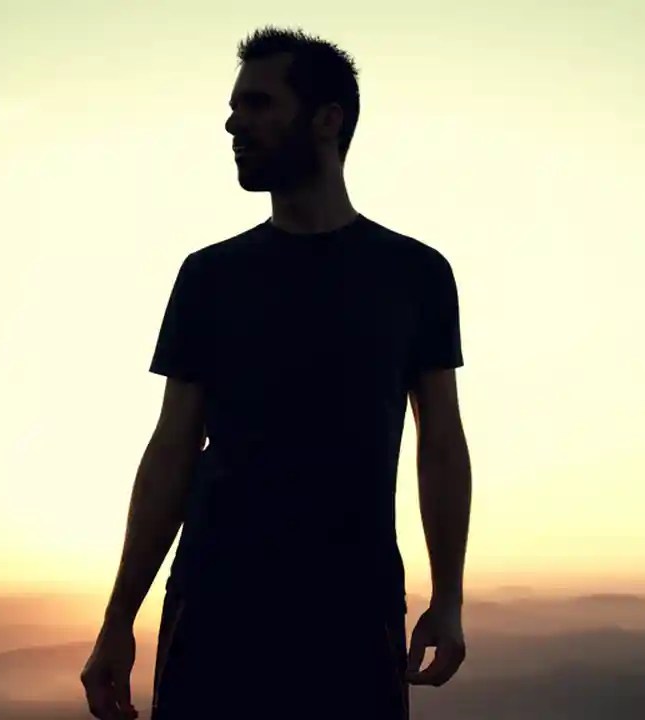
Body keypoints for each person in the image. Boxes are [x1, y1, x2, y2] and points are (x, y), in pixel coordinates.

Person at [79, 25, 472, 719]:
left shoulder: (415, 275)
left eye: (258, 104)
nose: (233, 122)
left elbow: (440, 441)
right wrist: (118, 619)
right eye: (234, 107)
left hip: (354, 608)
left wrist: (449, 598)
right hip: (215, 604)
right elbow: (172, 448)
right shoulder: (209, 277)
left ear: (328, 120)